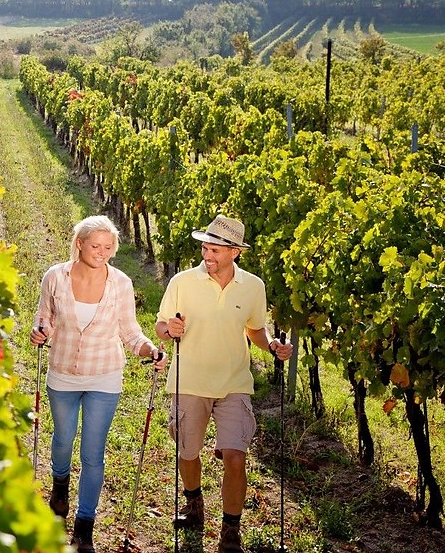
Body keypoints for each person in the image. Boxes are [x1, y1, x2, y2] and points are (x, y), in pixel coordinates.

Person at [154, 214, 294, 553]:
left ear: (235, 252)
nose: (207, 255)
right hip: (189, 379)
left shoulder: (253, 286)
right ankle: (194, 503)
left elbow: (255, 330)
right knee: (188, 452)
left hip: (234, 381)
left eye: (215, 249)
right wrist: (168, 330)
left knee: (235, 457)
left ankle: (231, 530)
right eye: (205, 247)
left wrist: (272, 345)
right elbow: (161, 326)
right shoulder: (182, 282)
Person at [31, 215, 166, 553]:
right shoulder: (55, 277)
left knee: (93, 453)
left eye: (108, 247)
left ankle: (84, 529)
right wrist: (40, 331)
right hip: (63, 371)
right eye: (95, 246)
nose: (102, 252)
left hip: (105, 374)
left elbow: (130, 330)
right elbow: (43, 317)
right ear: (80, 243)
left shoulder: (121, 283)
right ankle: (60, 486)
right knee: (62, 440)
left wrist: (148, 348)